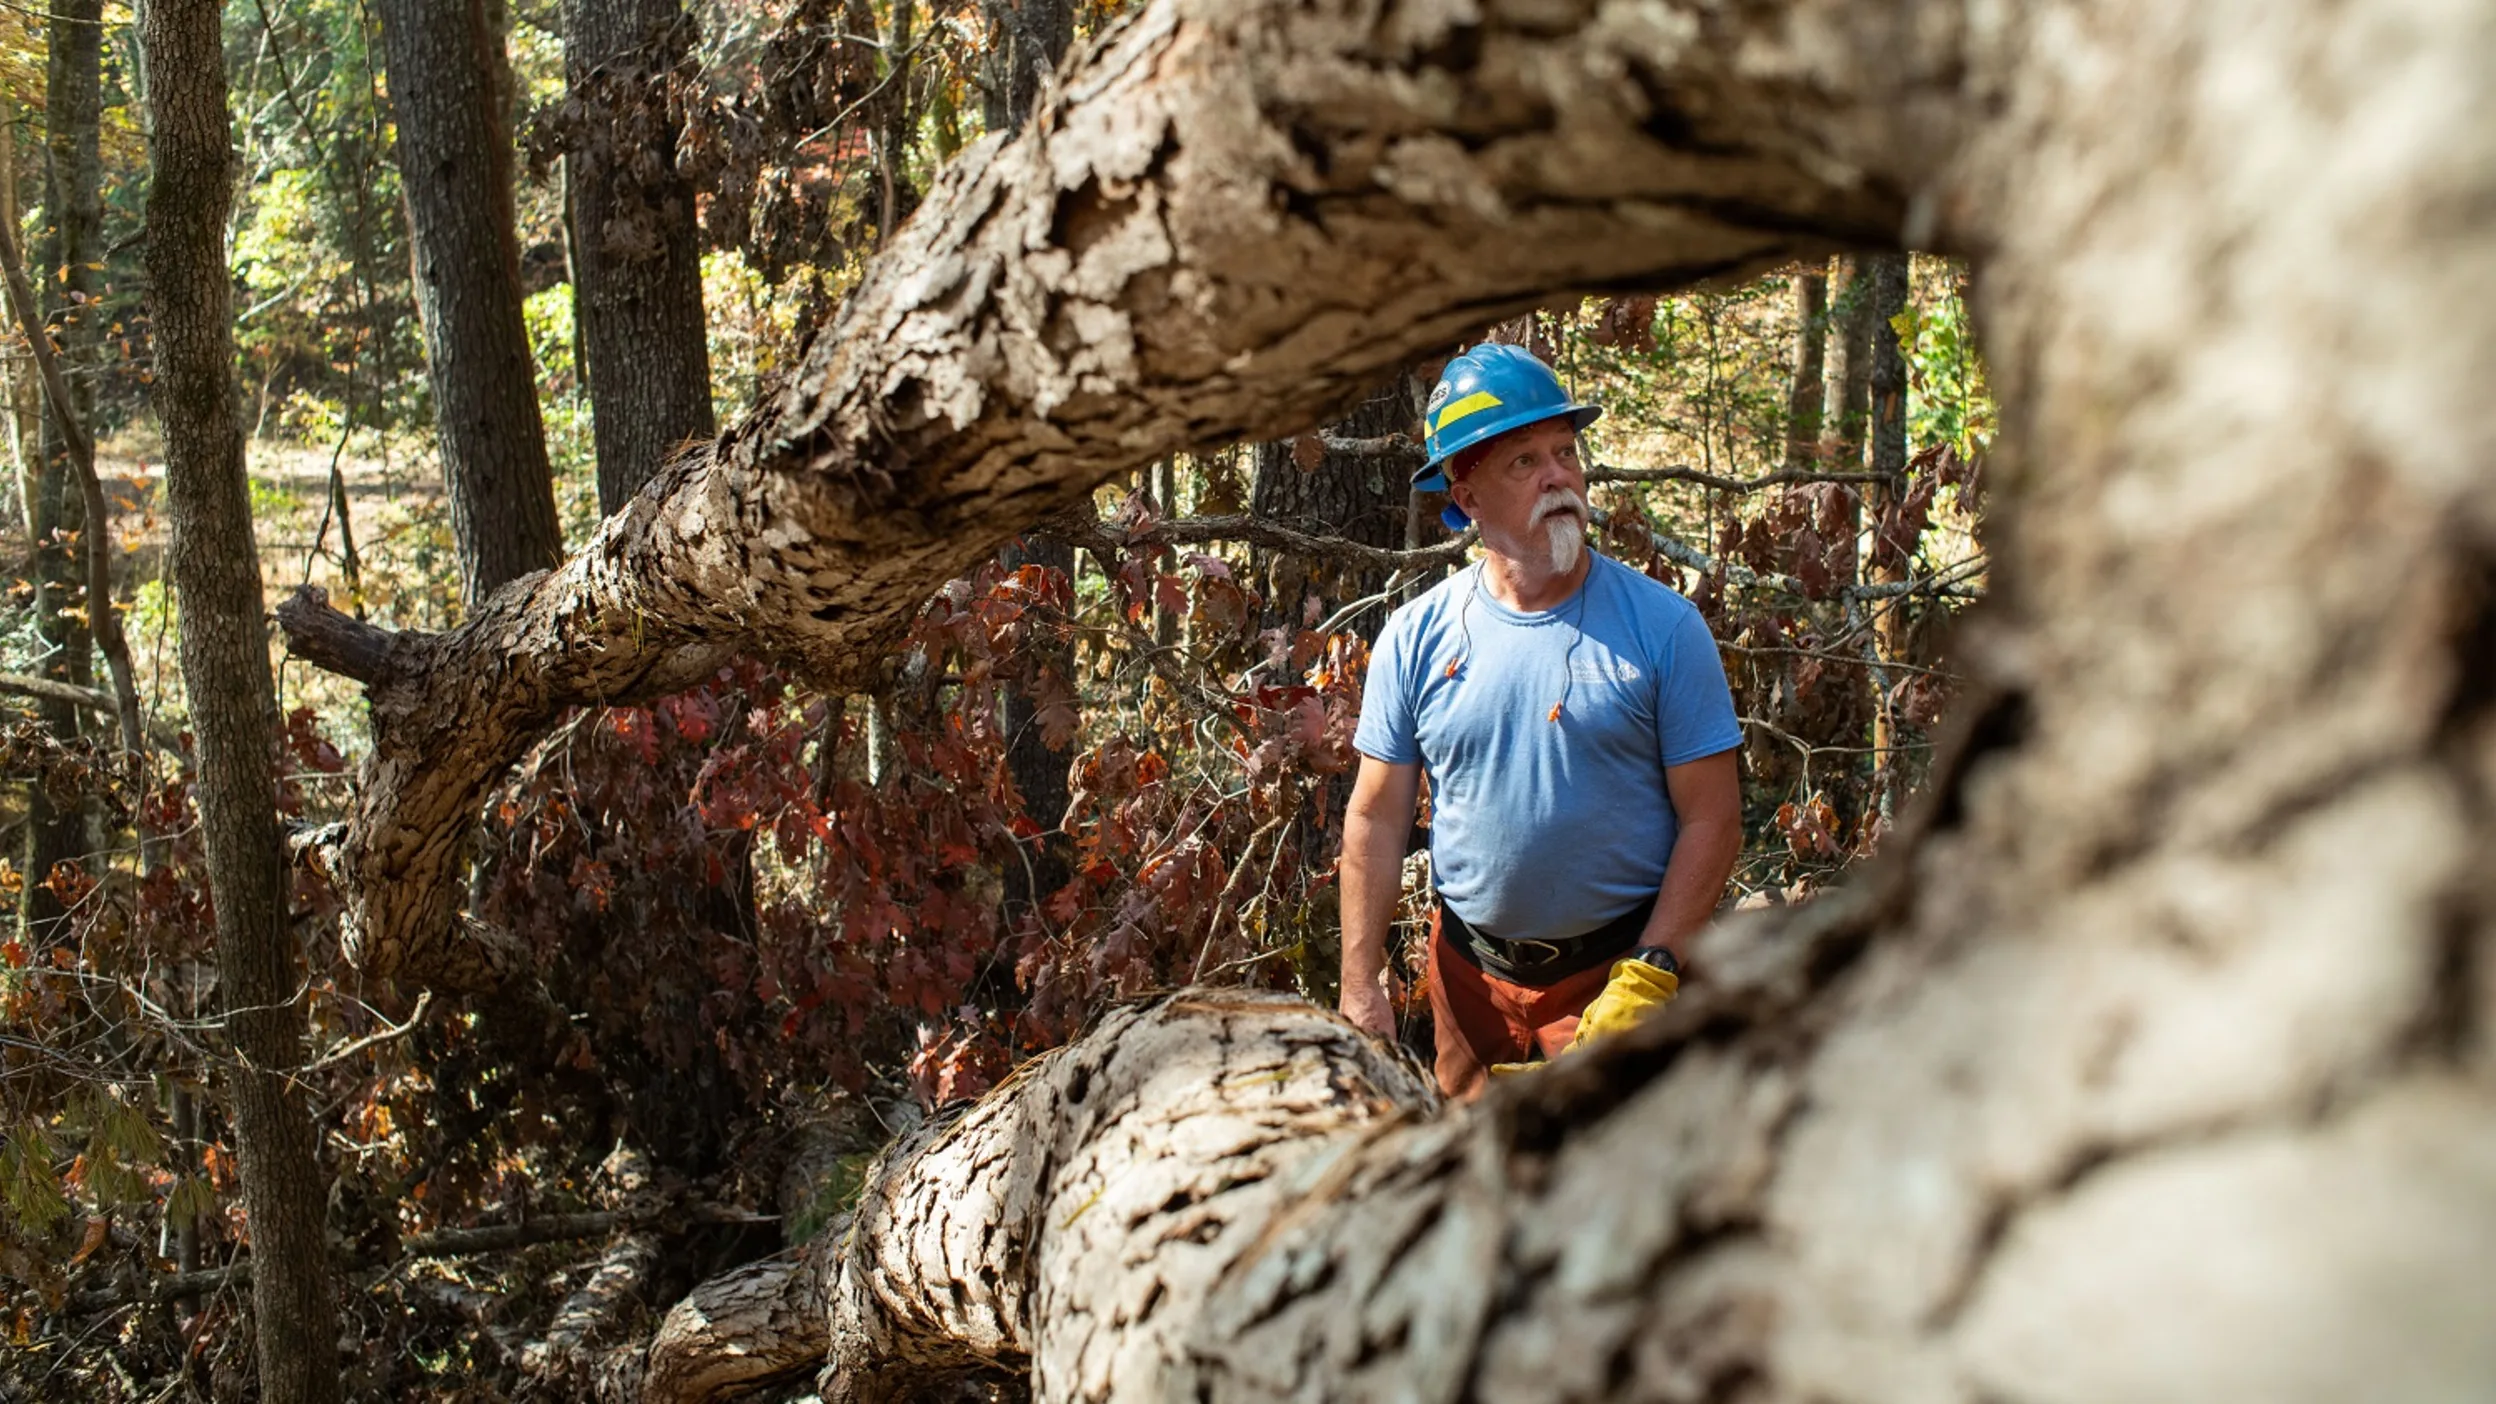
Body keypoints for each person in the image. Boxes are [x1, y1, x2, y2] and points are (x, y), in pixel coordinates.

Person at [1340, 343, 1745, 1099]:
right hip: (1468, 984)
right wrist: (1361, 986)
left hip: (1618, 978)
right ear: (1466, 497)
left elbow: (1714, 820)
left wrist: (1653, 971)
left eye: (1564, 451)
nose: (1559, 475)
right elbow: (1376, 817)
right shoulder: (1416, 635)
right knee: (1472, 1189)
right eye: (1523, 462)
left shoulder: (1663, 629)